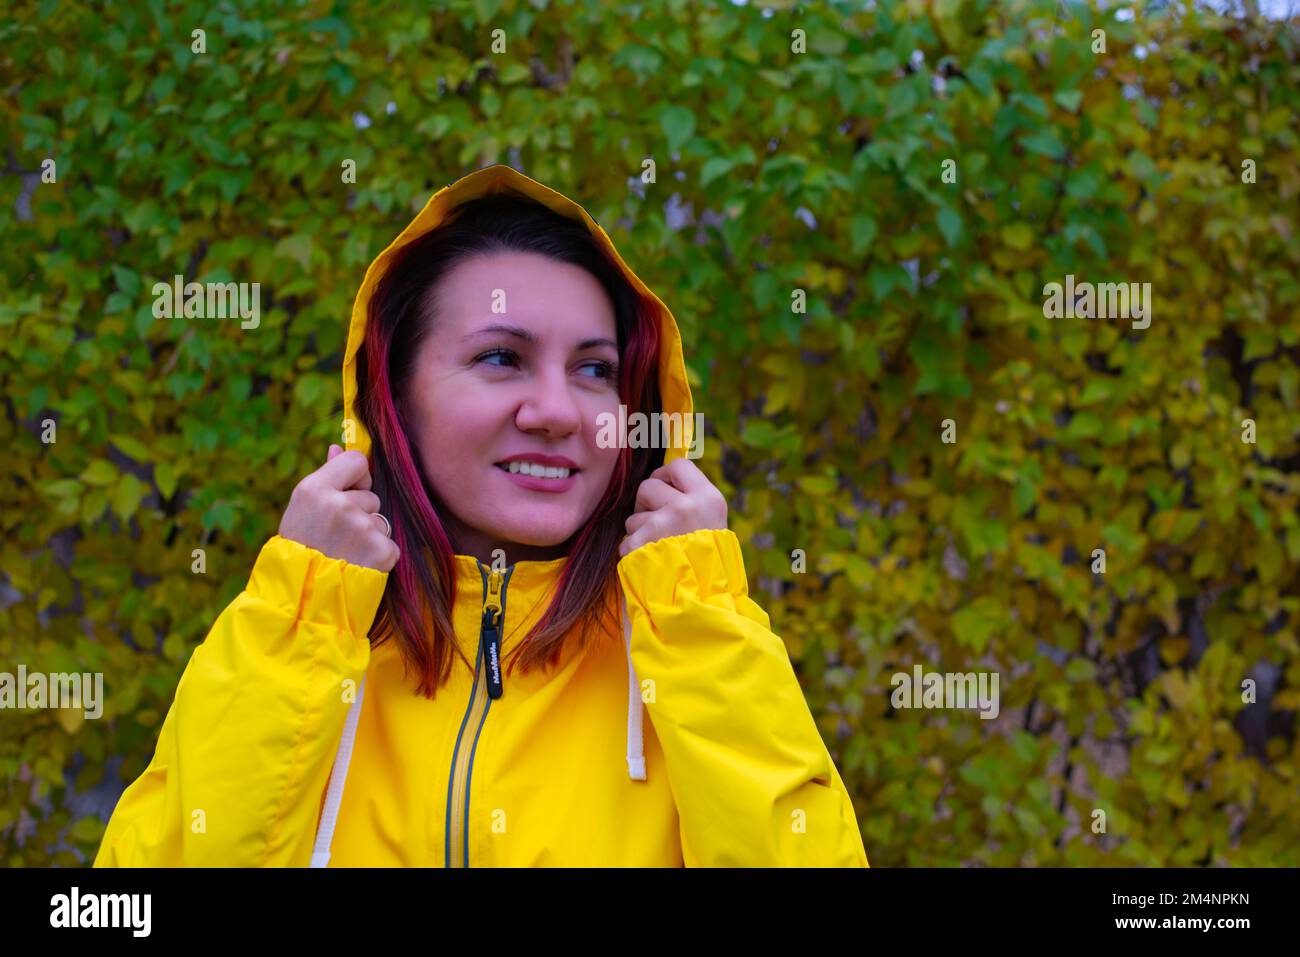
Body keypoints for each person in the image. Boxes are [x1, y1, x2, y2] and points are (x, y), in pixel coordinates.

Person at [93, 164, 870, 867]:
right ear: (392, 393)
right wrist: (304, 612)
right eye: (501, 357)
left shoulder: (687, 642)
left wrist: (700, 614)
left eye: (595, 370)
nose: (558, 411)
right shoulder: (301, 639)